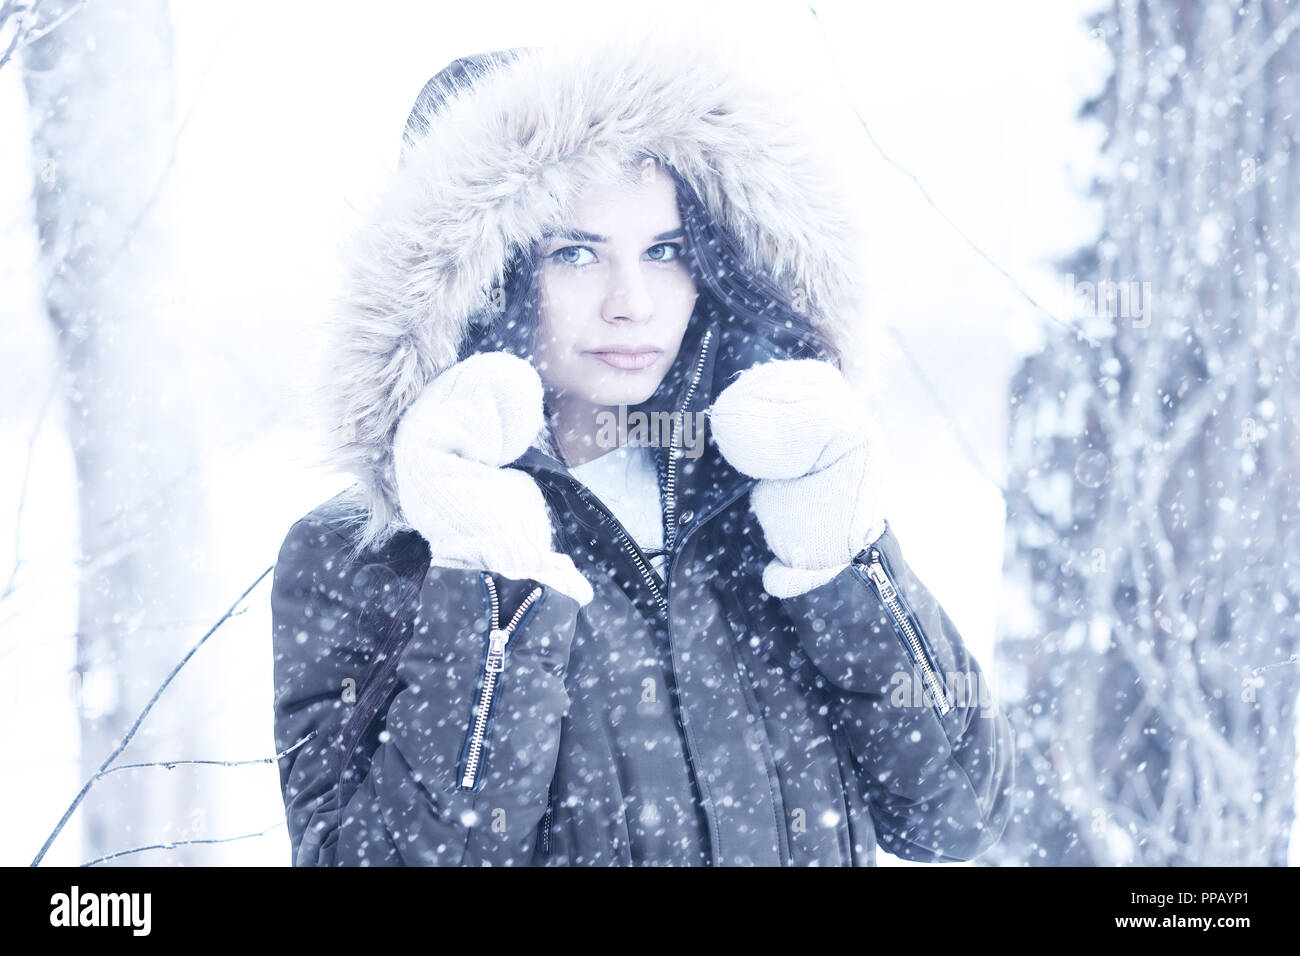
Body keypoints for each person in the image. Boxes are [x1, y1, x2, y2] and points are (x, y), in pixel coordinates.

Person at [270, 32, 1014, 867]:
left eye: (665, 251)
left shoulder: (772, 492)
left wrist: (844, 556)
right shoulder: (370, 554)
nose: (634, 303)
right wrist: (494, 585)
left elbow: (960, 812)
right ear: (480, 275)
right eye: (577, 254)